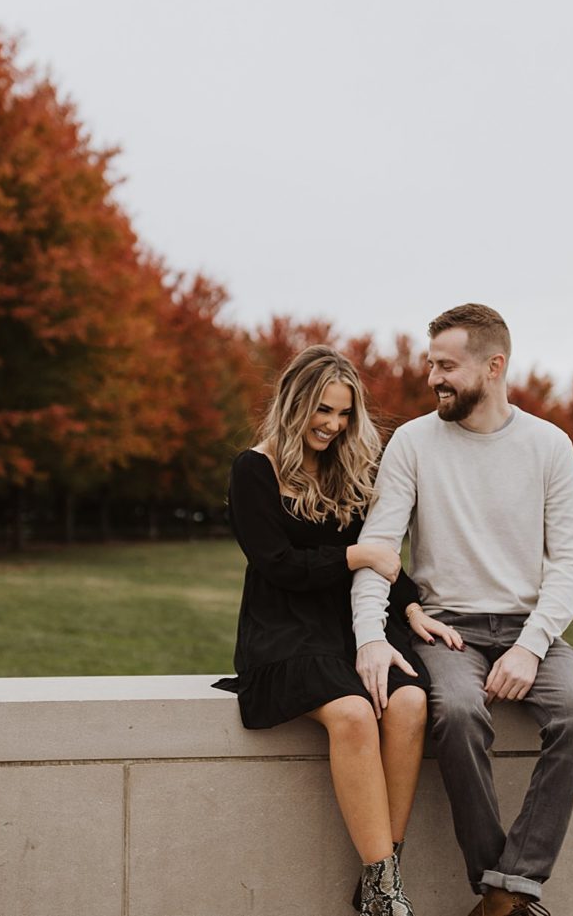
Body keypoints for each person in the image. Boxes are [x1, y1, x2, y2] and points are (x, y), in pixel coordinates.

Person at [351, 304, 573, 916]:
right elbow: (378, 550)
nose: (433, 377)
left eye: (447, 365)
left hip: (529, 629)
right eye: (431, 363)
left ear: (493, 366)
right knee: (460, 714)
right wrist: (368, 636)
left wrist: (531, 645)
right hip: (447, 630)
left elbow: (570, 562)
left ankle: (501, 894)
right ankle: (508, 894)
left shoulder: (549, 445)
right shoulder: (413, 442)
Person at [215, 345, 464, 916]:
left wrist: (408, 608)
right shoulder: (255, 469)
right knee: (353, 713)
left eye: (344, 413)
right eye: (321, 411)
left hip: (351, 626)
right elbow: (278, 564)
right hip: (283, 632)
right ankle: (387, 895)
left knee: (408, 704)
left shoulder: (351, 467)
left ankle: (381, 879)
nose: (332, 425)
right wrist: (354, 556)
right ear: (293, 403)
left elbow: (382, 554)